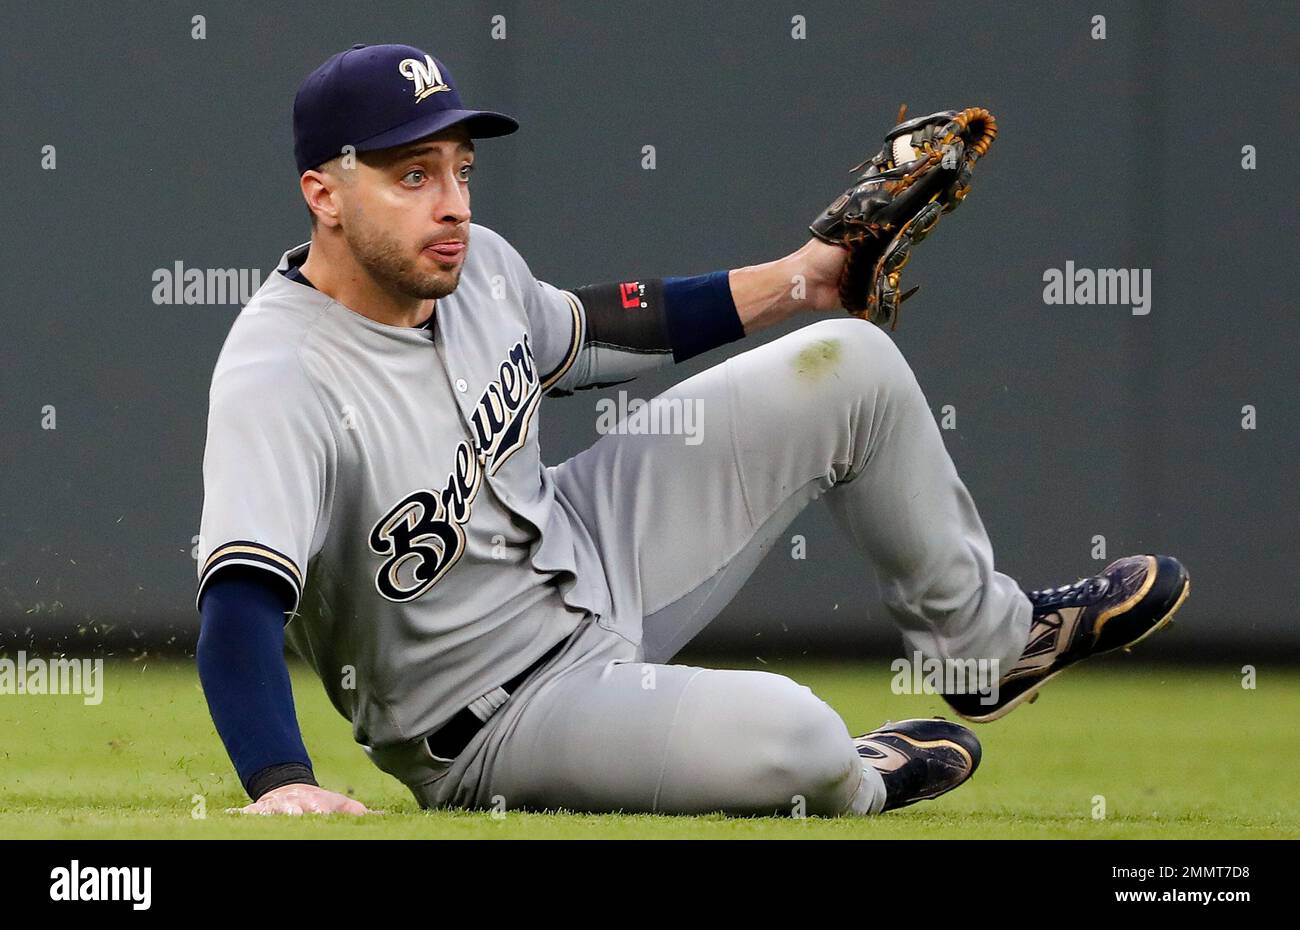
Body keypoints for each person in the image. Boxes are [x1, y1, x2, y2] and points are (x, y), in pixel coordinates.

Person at [195, 44, 1189, 817]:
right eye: (412, 175)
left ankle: (990, 643)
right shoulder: (281, 375)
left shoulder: (472, 263)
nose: (451, 204)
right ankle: (863, 783)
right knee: (798, 735)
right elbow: (240, 603)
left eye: (458, 168)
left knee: (851, 368)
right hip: (497, 718)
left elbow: (591, 334)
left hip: (593, 545)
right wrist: (278, 778)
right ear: (323, 192)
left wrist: (806, 279)